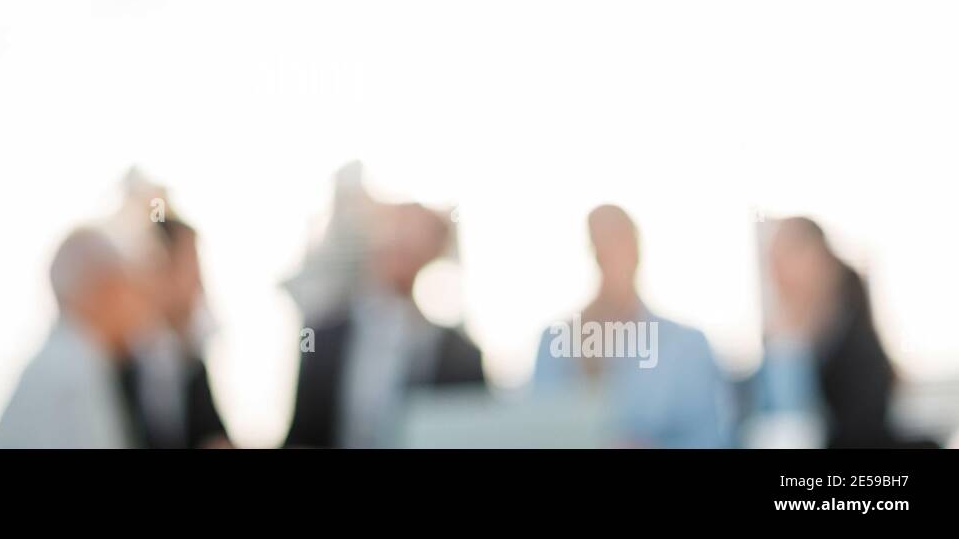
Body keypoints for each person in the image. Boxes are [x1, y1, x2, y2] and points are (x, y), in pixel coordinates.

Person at [285, 202, 484, 448]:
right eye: (394, 232)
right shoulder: (322, 337)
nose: (400, 243)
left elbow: (473, 435)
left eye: (413, 238)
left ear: (436, 249)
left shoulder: (463, 356)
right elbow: (301, 434)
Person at [532, 205, 728, 448]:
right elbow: (539, 434)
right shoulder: (556, 342)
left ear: (637, 250)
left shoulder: (686, 346)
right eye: (602, 248)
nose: (611, 258)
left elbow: (709, 439)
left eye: (619, 243)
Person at [0, 227, 156, 448]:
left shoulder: (65, 361)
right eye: (130, 286)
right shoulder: (75, 374)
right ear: (106, 290)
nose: (140, 307)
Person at [753, 216, 904, 448]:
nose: (776, 274)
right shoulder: (783, 338)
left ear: (815, 259)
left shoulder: (850, 340)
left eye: (783, 259)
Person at [119, 216, 230, 448]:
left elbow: (211, 434)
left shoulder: (189, 356)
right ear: (159, 269)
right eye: (192, 268)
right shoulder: (120, 357)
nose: (199, 285)